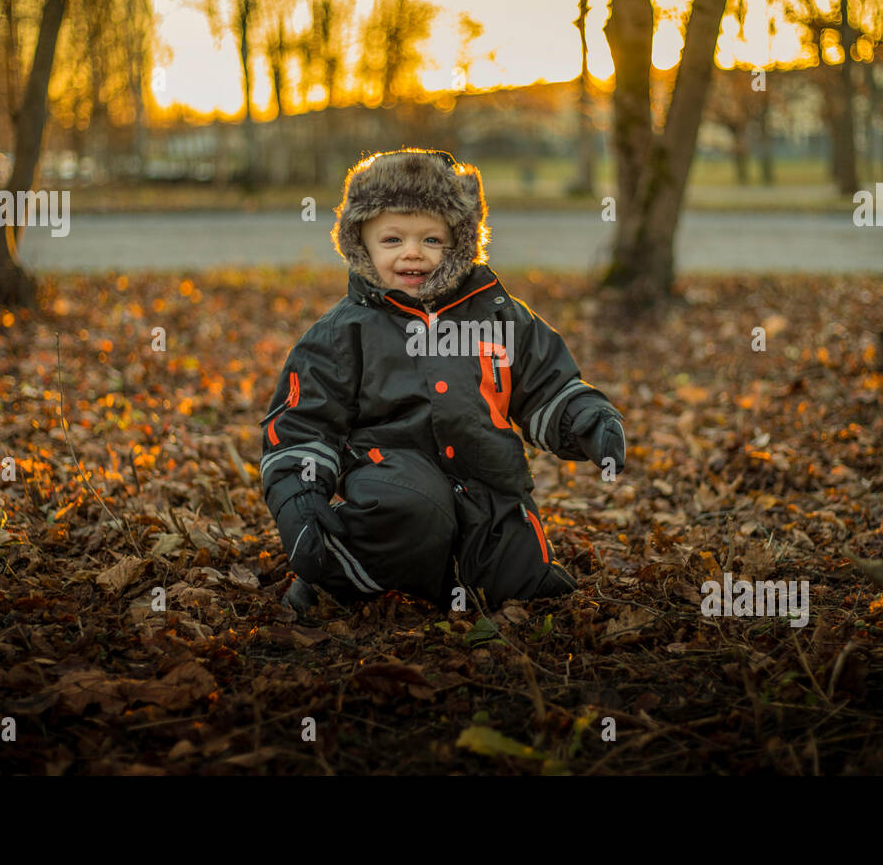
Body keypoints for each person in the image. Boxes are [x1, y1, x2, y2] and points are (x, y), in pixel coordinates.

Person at [259, 147, 626, 614]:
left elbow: (544, 383)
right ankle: (335, 576)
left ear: (460, 243)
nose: (412, 252)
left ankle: (466, 578)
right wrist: (300, 502)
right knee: (413, 508)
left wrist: (587, 420)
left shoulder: (498, 316)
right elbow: (302, 424)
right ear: (362, 244)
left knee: (527, 583)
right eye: (392, 240)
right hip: (393, 488)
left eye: (432, 240)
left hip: (487, 490)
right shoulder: (343, 332)